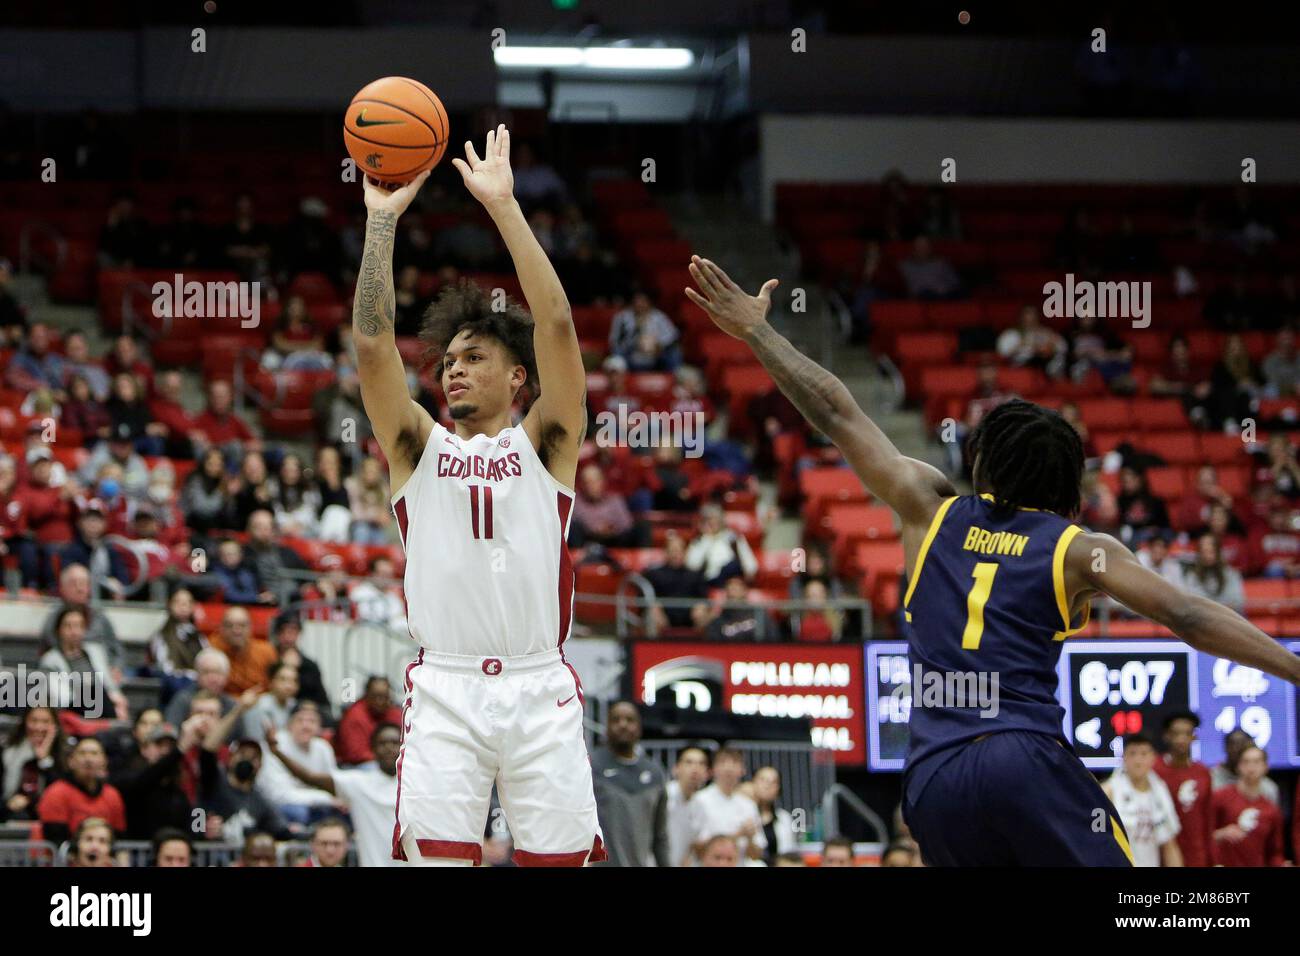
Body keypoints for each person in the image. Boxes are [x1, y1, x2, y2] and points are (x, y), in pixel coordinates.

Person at [684, 253, 1300, 866]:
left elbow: (836, 411)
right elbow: (1189, 616)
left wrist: (757, 332)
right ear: (1066, 488)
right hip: (1021, 757)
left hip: (931, 782)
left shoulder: (927, 507)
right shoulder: (1077, 550)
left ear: (985, 464)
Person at [351, 125, 603, 866]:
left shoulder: (547, 441)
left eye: (474, 358)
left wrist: (503, 207)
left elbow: (555, 321)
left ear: (517, 376)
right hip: (447, 686)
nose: (453, 371)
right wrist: (381, 221)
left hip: (540, 685)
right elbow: (372, 346)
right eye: (448, 361)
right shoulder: (417, 449)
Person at [267, 722, 400, 868]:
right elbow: (310, 777)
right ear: (373, 748)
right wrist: (277, 752)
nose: (388, 748)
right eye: (382, 743)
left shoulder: (416, 786)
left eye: (394, 743)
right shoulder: (359, 783)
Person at [196, 690, 294, 846]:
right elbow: (208, 749)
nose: (247, 760)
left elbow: (283, 832)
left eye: (253, 757)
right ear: (231, 758)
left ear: (260, 765)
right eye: (242, 754)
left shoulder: (260, 800)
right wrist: (238, 709)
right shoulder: (214, 781)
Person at [591, 701, 669, 867]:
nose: (623, 724)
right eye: (616, 719)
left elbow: (660, 836)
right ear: (607, 726)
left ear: (639, 728)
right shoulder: (591, 765)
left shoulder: (655, 774)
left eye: (629, 720)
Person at [1102, 735, 1183, 867]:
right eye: (1132, 754)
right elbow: (1095, 838)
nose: (1138, 761)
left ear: (1153, 758)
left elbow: (1170, 846)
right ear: (1124, 757)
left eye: (1144, 754)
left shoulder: (1160, 791)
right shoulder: (1109, 791)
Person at [256, 701, 339, 826]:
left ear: (320, 728)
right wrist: (327, 799)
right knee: (299, 812)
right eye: (300, 720)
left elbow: (333, 785)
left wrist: (332, 800)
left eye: (312, 721)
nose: (306, 726)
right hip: (277, 805)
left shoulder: (323, 747)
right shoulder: (275, 744)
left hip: (316, 805)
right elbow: (279, 795)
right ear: (289, 725)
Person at [38, 606, 128, 720]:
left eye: (78, 626)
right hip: (74, 710)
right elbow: (62, 697)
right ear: (58, 630)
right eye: (68, 626)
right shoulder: (50, 660)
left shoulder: (96, 651)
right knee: (93, 691)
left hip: (103, 703)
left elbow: (109, 684)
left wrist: (117, 700)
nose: (74, 631)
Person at [1152, 711, 1215, 868]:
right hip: (1162, 855)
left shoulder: (1203, 772)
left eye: (1187, 733)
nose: (1181, 739)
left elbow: (1208, 820)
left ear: (1194, 737)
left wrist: (1214, 859)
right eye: (1176, 733)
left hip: (1197, 856)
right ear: (1166, 736)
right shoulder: (1154, 770)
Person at [36, 737, 127, 844]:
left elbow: (119, 838)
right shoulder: (56, 792)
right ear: (71, 761)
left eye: (94, 753)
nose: (88, 759)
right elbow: (55, 840)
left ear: (104, 761)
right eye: (82, 753)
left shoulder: (112, 795)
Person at [688, 747, 765, 864]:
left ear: (743, 770)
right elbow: (695, 847)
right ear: (712, 769)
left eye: (734, 763)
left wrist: (749, 838)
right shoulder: (699, 800)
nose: (729, 768)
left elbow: (757, 854)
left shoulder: (749, 805)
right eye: (723, 762)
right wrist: (738, 834)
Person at [1211, 746, 1286, 866]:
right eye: (1246, 762)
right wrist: (1222, 834)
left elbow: (1274, 853)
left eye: (1256, 762)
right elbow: (1202, 836)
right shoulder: (1220, 797)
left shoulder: (1271, 810)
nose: (1251, 767)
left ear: (1266, 767)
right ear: (1238, 766)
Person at [1, 707, 64, 823]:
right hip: (9, 815)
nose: (38, 727)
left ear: (55, 726)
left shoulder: (65, 755)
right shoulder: (7, 751)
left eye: (45, 722)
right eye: (34, 721)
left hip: (50, 819)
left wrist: (44, 760)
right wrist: (8, 805)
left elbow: (62, 794)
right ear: (25, 722)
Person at [207, 605, 278, 696]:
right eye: (229, 625)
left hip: (258, 703)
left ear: (250, 627)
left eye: (242, 625)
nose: (236, 630)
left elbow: (275, 687)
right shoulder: (212, 650)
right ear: (221, 628)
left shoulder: (266, 651)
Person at [333, 677, 402, 766]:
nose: (380, 701)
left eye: (385, 697)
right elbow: (356, 755)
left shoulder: (395, 713)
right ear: (366, 696)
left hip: (391, 762)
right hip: (359, 766)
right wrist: (387, 758)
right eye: (375, 696)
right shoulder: (354, 716)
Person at [1211, 729, 1281, 805]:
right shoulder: (1211, 778)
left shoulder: (1268, 788)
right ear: (1225, 748)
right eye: (1233, 744)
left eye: (1242, 744)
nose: (1237, 749)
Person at [666, 746, 710, 867]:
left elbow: (696, 844)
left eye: (701, 764)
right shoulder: (663, 796)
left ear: (707, 773)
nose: (695, 769)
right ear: (676, 769)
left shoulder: (701, 807)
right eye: (689, 762)